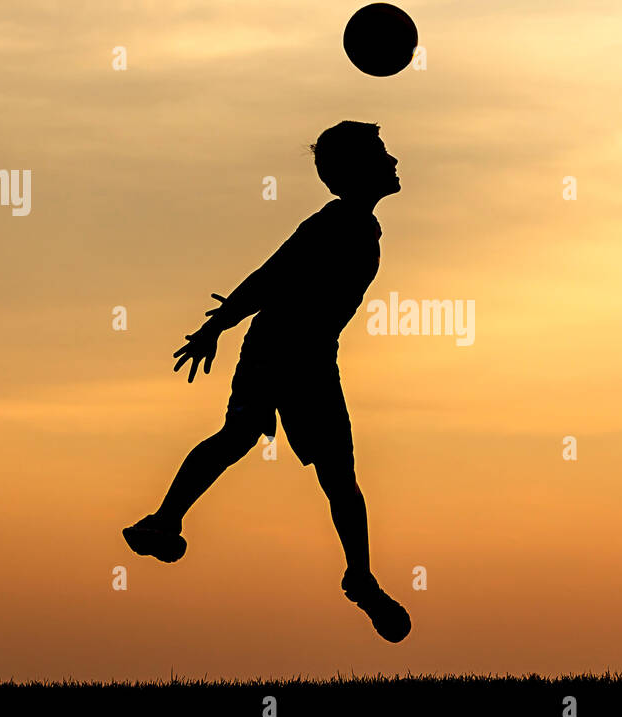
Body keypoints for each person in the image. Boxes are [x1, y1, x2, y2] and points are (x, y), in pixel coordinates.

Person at [123, 121, 410, 643]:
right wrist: (218, 324)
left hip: (311, 356)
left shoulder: (359, 224)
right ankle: (165, 521)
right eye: (381, 154)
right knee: (300, 461)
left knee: (318, 467)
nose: (393, 161)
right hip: (281, 350)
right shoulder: (334, 223)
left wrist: (223, 325)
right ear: (355, 172)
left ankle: (359, 577)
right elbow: (271, 276)